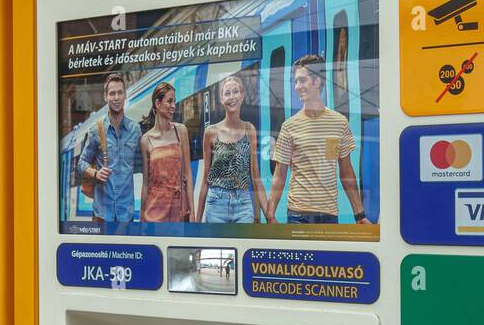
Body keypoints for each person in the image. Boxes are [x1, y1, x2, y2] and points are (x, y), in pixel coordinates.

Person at [268, 54, 371, 226]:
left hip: (329, 216)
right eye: (295, 82)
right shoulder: (289, 127)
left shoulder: (339, 123)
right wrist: (270, 215)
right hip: (297, 216)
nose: (297, 87)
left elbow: (346, 172)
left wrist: (359, 214)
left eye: (302, 80)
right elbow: (279, 174)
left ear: (317, 81)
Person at [196, 74, 271, 224]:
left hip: (243, 205)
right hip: (215, 204)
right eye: (227, 93)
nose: (232, 97)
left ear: (242, 95)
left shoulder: (250, 130)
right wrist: (197, 220)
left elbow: (255, 178)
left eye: (235, 91)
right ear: (222, 99)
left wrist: (270, 217)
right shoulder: (211, 132)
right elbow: (205, 179)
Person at [77, 72, 141, 225]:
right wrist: (96, 173)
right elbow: (81, 163)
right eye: (112, 93)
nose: (116, 97)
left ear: (125, 94)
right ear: (106, 97)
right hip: (102, 214)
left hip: (126, 213)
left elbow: (142, 165)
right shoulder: (95, 130)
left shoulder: (135, 130)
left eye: (120, 92)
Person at [139, 82, 193, 223]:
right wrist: (142, 216)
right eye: (169, 101)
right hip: (155, 209)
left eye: (174, 101)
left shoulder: (181, 131)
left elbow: (187, 174)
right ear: (157, 103)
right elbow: (146, 183)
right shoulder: (146, 140)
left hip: (179, 207)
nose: (174, 106)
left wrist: (192, 212)